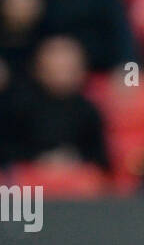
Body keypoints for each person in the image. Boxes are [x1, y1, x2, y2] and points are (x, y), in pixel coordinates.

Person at [10, 34, 107, 167]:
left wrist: (73, 159)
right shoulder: (18, 105)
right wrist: (41, 160)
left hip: (76, 180)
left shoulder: (88, 110)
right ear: (39, 69)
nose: (61, 76)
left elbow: (100, 159)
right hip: (28, 179)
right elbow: (8, 151)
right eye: (56, 68)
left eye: (68, 69)